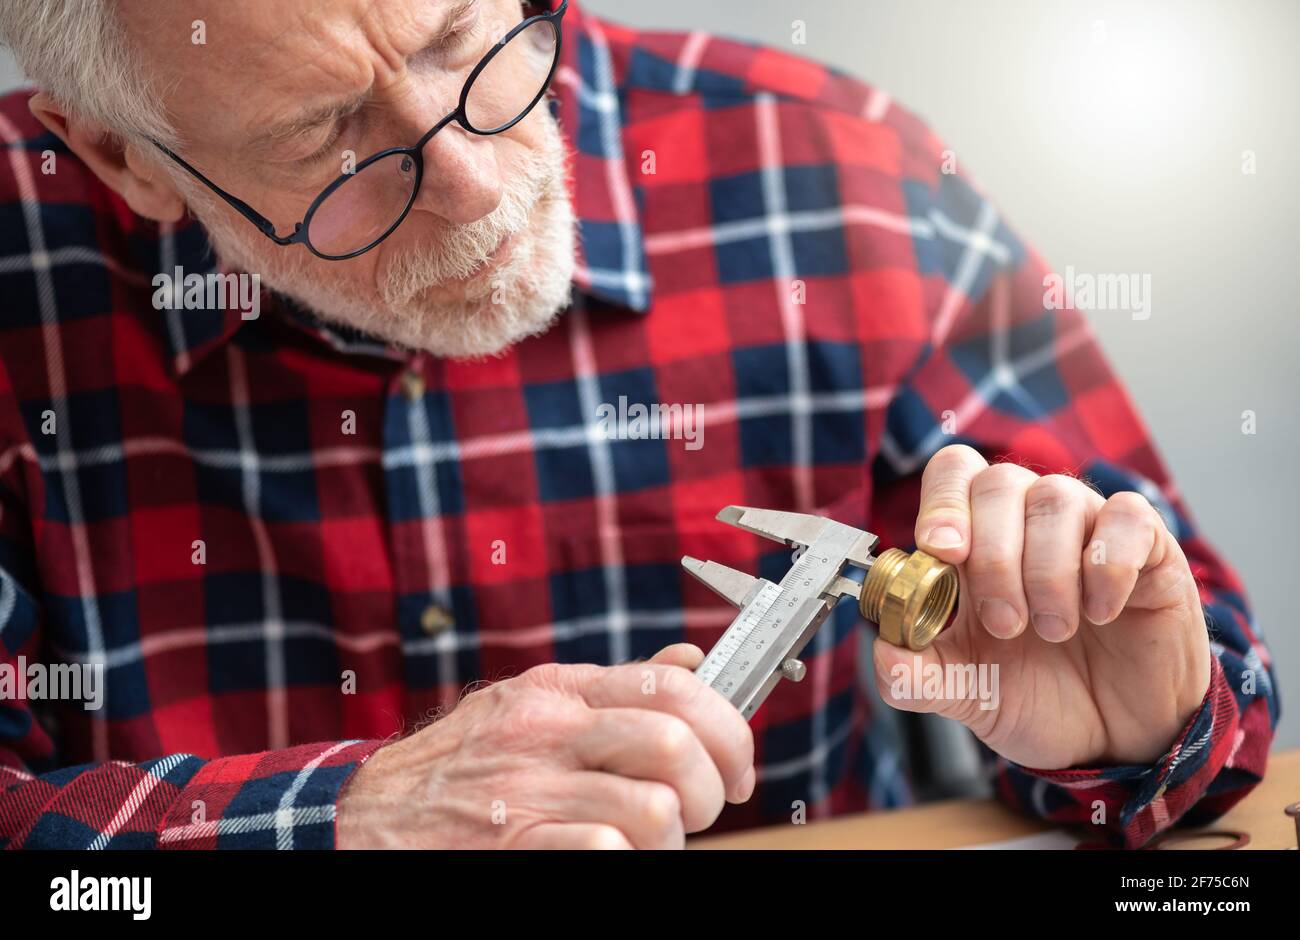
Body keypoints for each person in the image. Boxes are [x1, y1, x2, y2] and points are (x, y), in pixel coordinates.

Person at [0, 0, 1276, 849]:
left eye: (462, 40)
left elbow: (1202, 705)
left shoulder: (830, 168)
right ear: (122, 156)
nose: (476, 181)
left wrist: (1144, 732)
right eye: (326, 139)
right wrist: (343, 820)